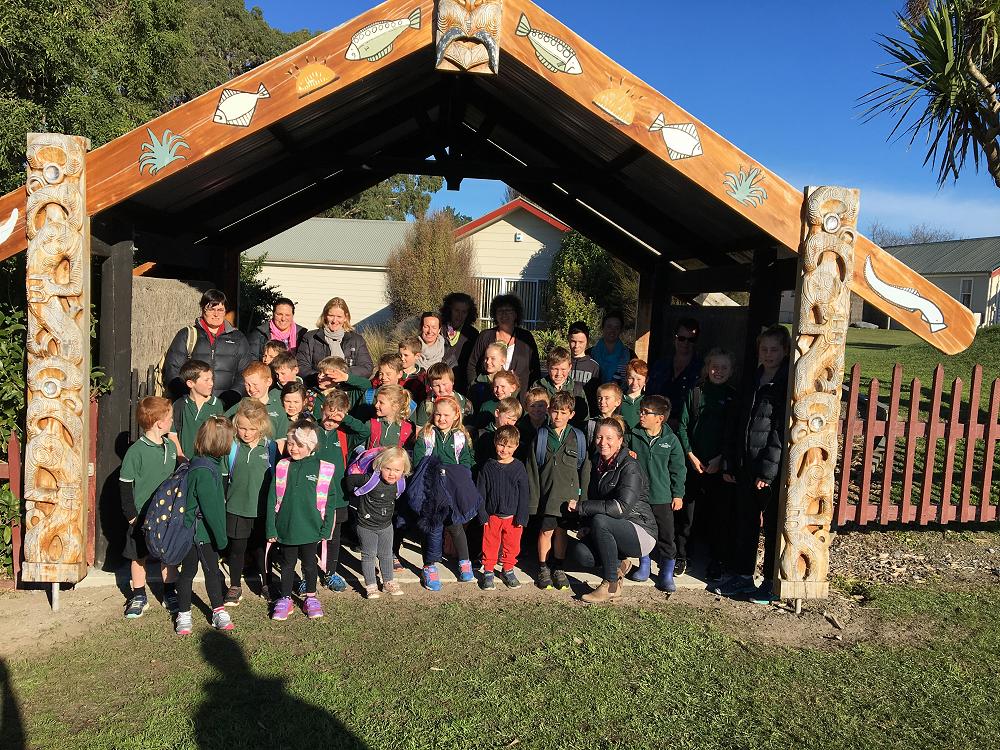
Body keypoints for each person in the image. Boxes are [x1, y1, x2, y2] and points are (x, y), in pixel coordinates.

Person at [720, 325, 791, 603]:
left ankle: (771, 582)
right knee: (745, 522)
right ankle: (743, 575)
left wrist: (768, 471)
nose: (769, 354)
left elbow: (779, 430)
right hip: (747, 463)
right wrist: (733, 461)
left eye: (774, 349)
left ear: (785, 351)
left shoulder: (785, 382)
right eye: (765, 349)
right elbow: (741, 422)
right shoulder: (754, 378)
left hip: (769, 468)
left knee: (772, 525)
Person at [569, 417, 657, 603]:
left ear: (619, 440)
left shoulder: (630, 466)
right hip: (613, 527)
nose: (603, 443)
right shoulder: (597, 463)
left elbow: (621, 508)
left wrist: (581, 507)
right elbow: (594, 496)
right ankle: (620, 564)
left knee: (600, 521)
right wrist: (586, 524)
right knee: (582, 553)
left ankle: (610, 585)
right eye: (599, 437)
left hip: (640, 531)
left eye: (609, 438)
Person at [677, 348, 739, 582]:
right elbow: (682, 426)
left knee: (718, 516)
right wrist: (690, 455)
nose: (718, 371)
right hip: (694, 464)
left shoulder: (733, 397)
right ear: (707, 368)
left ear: (731, 371)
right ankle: (682, 555)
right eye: (715, 366)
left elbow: (734, 433)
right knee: (688, 515)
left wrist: (721, 459)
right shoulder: (695, 393)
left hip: (718, 467)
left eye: (724, 368)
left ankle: (716, 560)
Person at [267, 420, 337, 621]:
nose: (293, 448)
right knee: (287, 564)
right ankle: (285, 598)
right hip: (286, 528)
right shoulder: (282, 466)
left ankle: (311, 597)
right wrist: (271, 527)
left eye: (299, 445)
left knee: (309, 565)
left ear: (311, 446)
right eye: (291, 443)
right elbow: (272, 498)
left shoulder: (323, 469)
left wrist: (326, 530)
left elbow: (330, 501)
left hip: (311, 528)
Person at [174, 415, 236, 635]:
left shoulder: (198, 462)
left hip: (188, 530)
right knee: (209, 573)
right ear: (222, 443)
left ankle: (186, 614)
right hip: (201, 533)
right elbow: (213, 511)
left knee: (187, 573)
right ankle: (209, 612)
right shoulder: (206, 471)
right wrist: (222, 539)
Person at [119, 396, 179, 619]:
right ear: (159, 422)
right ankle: (138, 595)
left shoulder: (171, 447)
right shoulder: (136, 451)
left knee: (169, 556)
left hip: (167, 516)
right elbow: (125, 485)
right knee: (138, 556)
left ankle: (169, 592)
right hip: (141, 517)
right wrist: (132, 516)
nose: (172, 421)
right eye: (170, 418)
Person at [526, 391, 591, 591]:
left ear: (571, 414)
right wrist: (534, 501)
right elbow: (532, 470)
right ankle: (543, 567)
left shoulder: (578, 438)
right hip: (547, 497)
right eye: (555, 411)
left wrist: (583, 501)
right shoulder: (542, 436)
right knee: (546, 531)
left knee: (562, 532)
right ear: (549, 411)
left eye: (563, 412)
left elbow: (584, 472)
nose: (558, 416)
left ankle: (559, 566)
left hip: (568, 499)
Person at [411, 395, 476, 590]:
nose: (442, 419)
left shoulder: (460, 437)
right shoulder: (426, 435)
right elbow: (419, 461)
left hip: (453, 487)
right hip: (431, 486)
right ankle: (429, 565)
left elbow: (466, 461)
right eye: (438, 414)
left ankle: (464, 561)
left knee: (455, 525)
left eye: (447, 415)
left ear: (456, 415)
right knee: (432, 526)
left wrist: (458, 475)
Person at [627, 395, 686, 592]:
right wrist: (626, 452)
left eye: (646, 412)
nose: (641, 415)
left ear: (659, 418)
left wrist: (678, 494)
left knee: (666, 534)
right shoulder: (633, 435)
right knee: (641, 531)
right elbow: (621, 450)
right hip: (639, 497)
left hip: (662, 497)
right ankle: (644, 565)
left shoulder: (671, 440)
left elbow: (678, 469)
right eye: (641, 411)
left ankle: (666, 572)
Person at [224, 399, 275, 606]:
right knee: (237, 549)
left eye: (251, 429)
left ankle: (267, 584)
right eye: (242, 428)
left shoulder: (270, 448)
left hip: (262, 510)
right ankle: (235, 586)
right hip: (236, 508)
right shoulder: (231, 446)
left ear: (261, 426)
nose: (246, 433)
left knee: (262, 549)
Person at [163, 289, 251, 407]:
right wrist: (187, 396)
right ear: (202, 309)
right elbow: (172, 370)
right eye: (211, 309)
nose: (216, 314)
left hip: (226, 407)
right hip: (192, 405)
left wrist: (234, 394)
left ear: (225, 311)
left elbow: (245, 372)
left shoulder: (238, 338)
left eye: (220, 310)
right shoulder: (187, 335)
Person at [346, 447, 411, 598]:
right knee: (368, 555)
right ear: (380, 466)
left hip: (386, 526)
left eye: (397, 470)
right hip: (366, 526)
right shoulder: (370, 479)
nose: (392, 473)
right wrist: (352, 494)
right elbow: (349, 480)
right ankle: (371, 585)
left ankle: (388, 582)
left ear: (403, 470)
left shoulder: (400, 483)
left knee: (387, 554)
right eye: (387, 468)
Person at [477, 425, 530, 591]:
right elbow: (481, 493)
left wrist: (522, 517)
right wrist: (482, 515)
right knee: (490, 544)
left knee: (512, 545)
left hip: (513, 518)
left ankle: (507, 569)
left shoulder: (519, 467)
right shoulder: (488, 466)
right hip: (492, 516)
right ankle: (488, 571)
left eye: (509, 446)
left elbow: (524, 494)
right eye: (501, 444)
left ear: (516, 446)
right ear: (495, 443)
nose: (504, 449)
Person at [465, 294, 540, 401]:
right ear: (495, 314)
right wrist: (475, 388)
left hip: (520, 398)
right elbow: (472, 365)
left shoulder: (526, 338)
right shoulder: (485, 336)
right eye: (500, 311)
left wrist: (531, 394)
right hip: (488, 397)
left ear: (516, 314)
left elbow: (535, 369)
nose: (504, 314)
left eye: (508, 310)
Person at [314, 389, 353, 593]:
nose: (330, 421)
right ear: (321, 410)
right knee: (311, 535)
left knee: (333, 536)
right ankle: (308, 572)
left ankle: (330, 572)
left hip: (337, 496)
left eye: (335, 418)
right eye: (327, 415)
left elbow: (364, 431)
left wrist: (344, 419)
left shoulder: (344, 434)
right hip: (312, 496)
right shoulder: (312, 431)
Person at [296, 297, 373, 382]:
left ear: (345, 318)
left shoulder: (357, 340)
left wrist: (343, 375)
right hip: (318, 388)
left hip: (347, 389)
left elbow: (367, 368)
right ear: (325, 316)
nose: (334, 320)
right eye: (331, 316)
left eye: (339, 316)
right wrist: (321, 377)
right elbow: (301, 366)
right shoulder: (310, 338)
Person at [648, 317, 703, 428]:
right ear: (675, 338)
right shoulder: (660, 365)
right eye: (682, 338)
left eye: (691, 339)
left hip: (684, 430)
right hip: (655, 425)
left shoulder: (702, 369)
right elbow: (649, 395)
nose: (686, 343)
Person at [169, 360, 223, 461]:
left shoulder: (217, 405)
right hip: (184, 464)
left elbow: (220, 437)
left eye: (212, 379)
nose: (211, 383)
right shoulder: (179, 405)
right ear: (190, 383)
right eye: (206, 380)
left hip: (209, 463)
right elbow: (172, 434)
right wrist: (180, 456)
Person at [231, 361, 288, 451]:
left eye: (255, 384)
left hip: (268, 458)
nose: (251, 389)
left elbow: (281, 441)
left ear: (268, 381)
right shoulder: (242, 404)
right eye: (247, 385)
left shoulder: (278, 409)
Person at [342, 383, 415, 452]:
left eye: (381, 402)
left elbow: (409, 453)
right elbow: (359, 446)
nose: (376, 405)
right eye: (377, 401)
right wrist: (366, 454)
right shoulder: (370, 424)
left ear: (395, 406)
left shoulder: (407, 429)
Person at [533, 346, 589, 427]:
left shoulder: (577, 390)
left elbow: (584, 419)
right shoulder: (538, 386)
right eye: (555, 369)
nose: (559, 374)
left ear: (570, 367)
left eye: (563, 369)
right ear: (547, 367)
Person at [441, 292, 480, 391]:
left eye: (464, 312)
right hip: (439, 383)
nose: (460, 315)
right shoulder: (439, 329)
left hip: (461, 387)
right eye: (456, 310)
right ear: (449, 310)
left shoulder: (472, 334)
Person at [413, 362, 471, 427]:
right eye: (436, 385)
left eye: (444, 384)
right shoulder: (426, 405)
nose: (441, 389)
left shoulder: (464, 403)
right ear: (431, 386)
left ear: (452, 382)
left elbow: (469, 428)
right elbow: (419, 429)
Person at [474, 396, 524, 470]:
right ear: (497, 413)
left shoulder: (516, 437)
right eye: (508, 418)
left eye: (514, 420)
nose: (509, 422)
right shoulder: (482, 435)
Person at [587, 311, 634, 385]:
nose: (613, 331)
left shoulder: (629, 355)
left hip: (620, 395)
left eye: (617, 327)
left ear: (621, 330)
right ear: (602, 328)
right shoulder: (589, 354)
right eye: (609, 326)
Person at [568, 321, 601, 413]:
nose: (576, 346)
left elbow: (596, 395)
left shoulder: (594, 366)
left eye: (581, 342)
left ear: (587, 341)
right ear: (568, 339)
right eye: (573, 341)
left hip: (585, 414)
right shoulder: (563, 363)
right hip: (564, 413)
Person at [468, 342, 510, 413]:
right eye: (486, 358)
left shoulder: (510, 381)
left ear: (503, 361)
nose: (488, 362)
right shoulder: (476, 384)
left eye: (493, 358)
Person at [586, 382, 623, 447]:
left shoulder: (622, 423)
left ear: (617, 402)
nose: (602, 402)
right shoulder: (591, 424)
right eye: (600, 398)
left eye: (607, 398)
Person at [619, 359, 648, 432]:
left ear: (646, 380)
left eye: (639, 379)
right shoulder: (618, 399)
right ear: (626, 378)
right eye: (631, 378)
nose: (634, 383)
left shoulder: (648, 402)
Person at [398, 335, 427, 403]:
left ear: (417, 356)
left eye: (406, 355)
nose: (402, 358)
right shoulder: (394, 371)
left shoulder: (422, 376)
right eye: (400, 355)